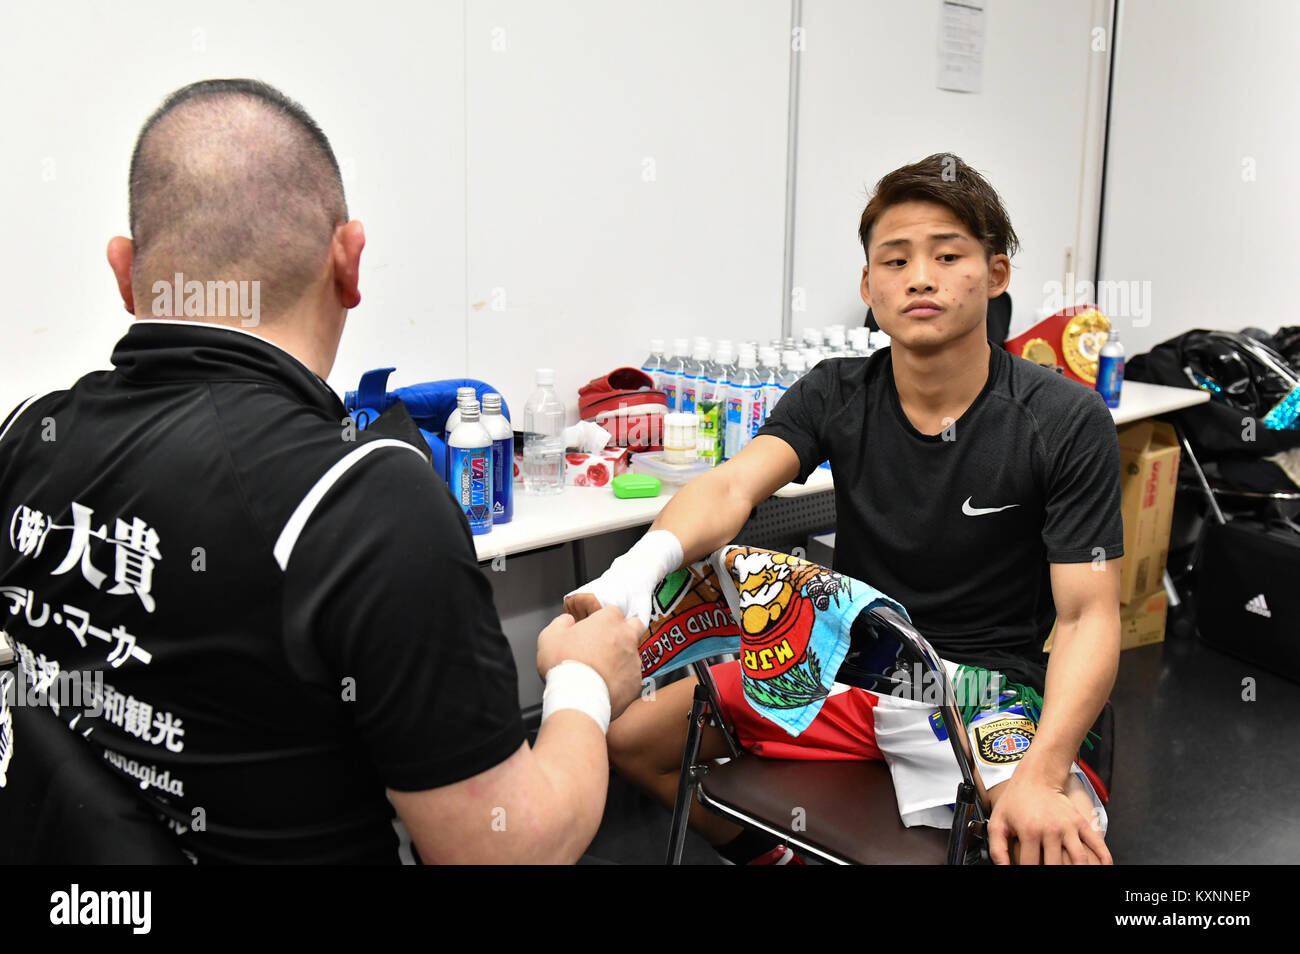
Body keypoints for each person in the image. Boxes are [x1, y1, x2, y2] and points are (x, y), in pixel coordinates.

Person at [0, 79, 643, 864]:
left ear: (127, 272)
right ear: (349, 262)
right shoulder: (364, 501)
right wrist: (582, 686)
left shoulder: (28, 434)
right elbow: (510, 852)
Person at [567, 153, 1123, 866]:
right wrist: (640, 567)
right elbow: (733, 486)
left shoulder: (1062, 418)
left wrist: (1044, 776)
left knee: (1060, 841)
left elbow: (1088, 615)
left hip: (984, 683)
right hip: (844, 663)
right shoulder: (836, 391)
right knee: (633, 742)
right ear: (869, 285)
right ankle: (779, 861)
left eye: (947, 254)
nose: (918, 277)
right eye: (894, 261)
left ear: (996, 273)